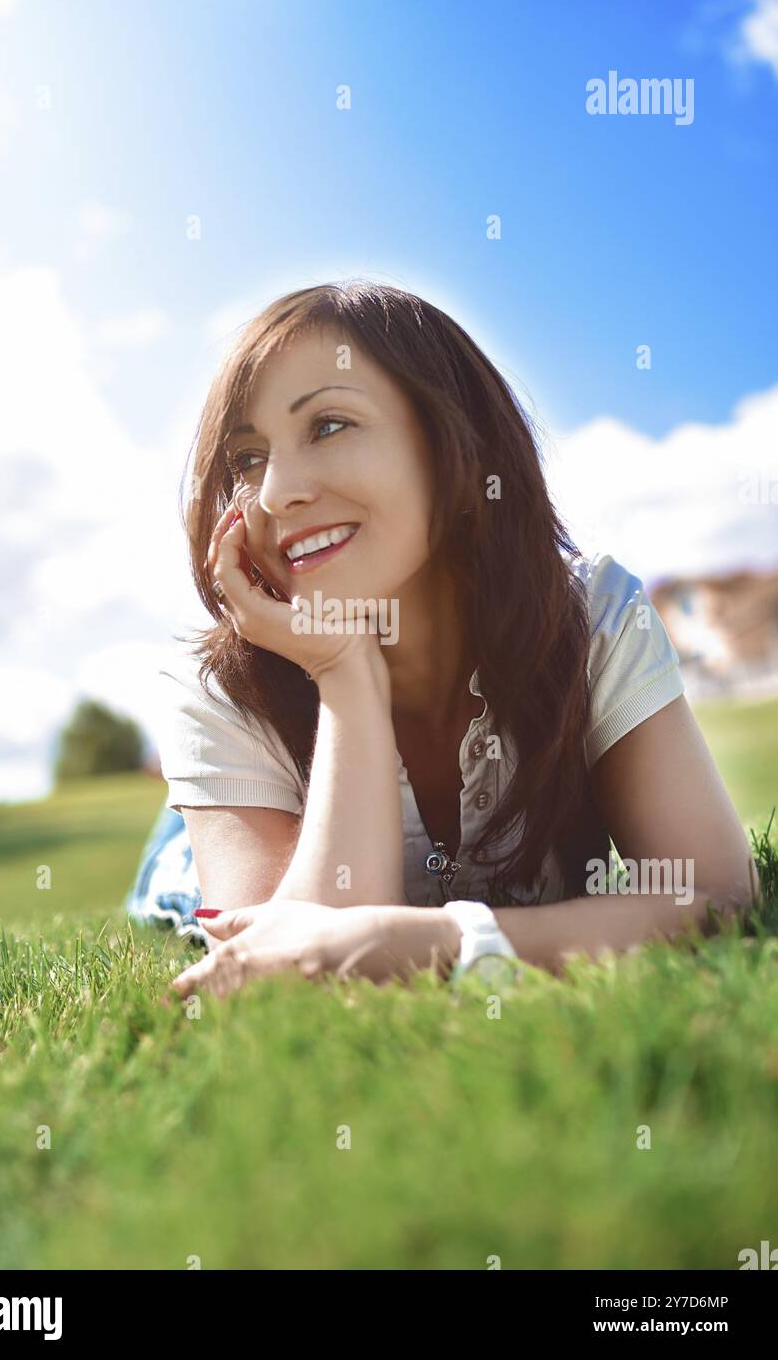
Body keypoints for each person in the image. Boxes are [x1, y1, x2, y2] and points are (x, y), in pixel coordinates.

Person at [123, 280, 759, 1003]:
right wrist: (342, 671)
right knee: (183, 877)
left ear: (456, 442)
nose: (275, 494)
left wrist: (446, 942)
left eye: (328, 425)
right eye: (246, 459)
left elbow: (715, 896)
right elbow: (293, 974)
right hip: (220, 839)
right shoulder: (214, 691)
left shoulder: (595, 616)